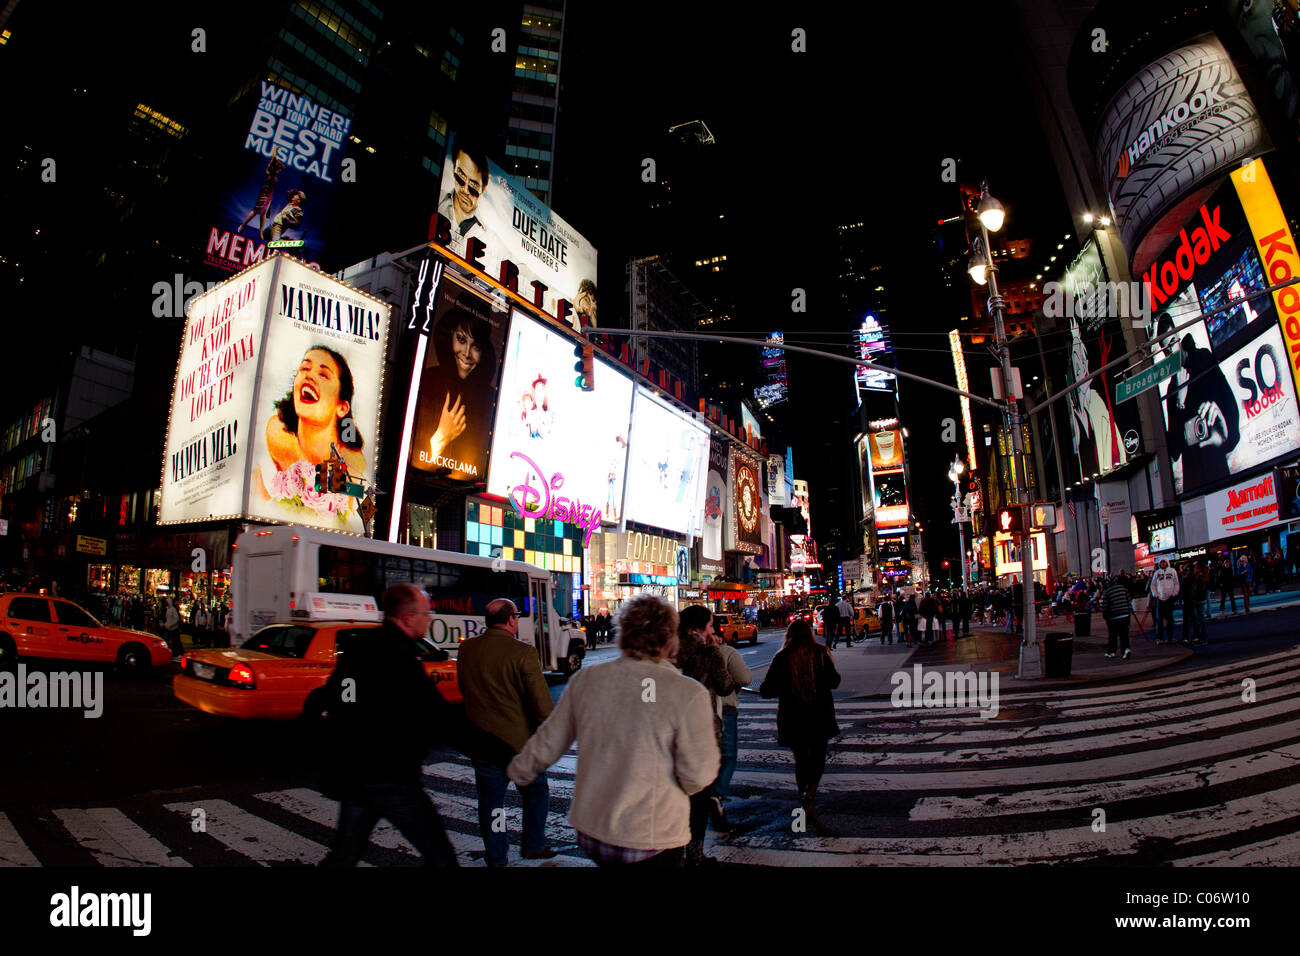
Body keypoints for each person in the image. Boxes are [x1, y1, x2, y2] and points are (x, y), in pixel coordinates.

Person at [507, 595, 718, 867]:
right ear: (670, 639)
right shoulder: (688, 694)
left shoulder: (588, 679)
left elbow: (549, 740)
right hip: (652, 835)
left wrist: (519, 769)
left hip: (595, 831)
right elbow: (697, 775)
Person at [315, 583, 458, 867]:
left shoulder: (360, 649)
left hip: (359, 775)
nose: (429, 619)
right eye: (426, 614)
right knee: (441, 857)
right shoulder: (402, 658)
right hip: (394, 778)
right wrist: (495, 750)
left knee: (344, 855)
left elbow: (338, 700)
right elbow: (438, 716)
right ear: (407, 618)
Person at [456, 598, 557, 867]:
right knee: (536, 794)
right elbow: (541, 705)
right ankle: (534, 844)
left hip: (483, 744)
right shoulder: (523, 653)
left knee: (492, 804)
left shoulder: (467, 650)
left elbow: (465, 691)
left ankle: (497, 856)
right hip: (520, 745)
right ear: (511, 619)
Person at [260, 346, 367, 509]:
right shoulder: (275, 433)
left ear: (342, 407)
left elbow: (357, 513)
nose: (309, 376)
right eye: (304, 368)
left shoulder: (353, 465)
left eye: (324, 375)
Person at [676, 605, 739, 865]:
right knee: (698, 795)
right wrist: (716, 651)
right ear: (699, 629)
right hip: (701, 731)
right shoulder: (708, 653)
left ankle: (671, 850)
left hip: (670, 731)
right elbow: (725, 687)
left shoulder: (669, 651)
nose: (714, 630)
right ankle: (694, 853)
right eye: (711, 625)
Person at [411, 293, 499, 478]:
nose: (467, 353)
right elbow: (415, 464)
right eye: (461, 339)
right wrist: (441, 436)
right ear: (449, 335)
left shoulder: (491, 399)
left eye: (476, 347)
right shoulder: (426, 380)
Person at [759, 619, 841, 817]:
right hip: (819, 715)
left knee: (801, 759)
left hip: (793, 717)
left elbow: (767, 689)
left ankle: (804, 793)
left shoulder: (782, 657)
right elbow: (834, 681)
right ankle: (811, 790)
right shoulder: (821, 653)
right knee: (818, 755)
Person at [712, 614, 752, 833]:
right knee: (728, 757)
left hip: (697, 713)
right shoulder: (726, 653)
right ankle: (717, 795)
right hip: (725, 710)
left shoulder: (688, 654)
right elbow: (746, 679)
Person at [437, 140, 493, 255]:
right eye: (460, 178)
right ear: (454, 169)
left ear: (483, 189)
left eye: (473, 187)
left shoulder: (490, 238)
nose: (465, 190)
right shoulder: (437, 198)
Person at [239, 147, 286, 237]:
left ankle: (260, 231)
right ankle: (243, 225)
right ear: (276, 168)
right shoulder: (270, 172)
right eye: (279, 169)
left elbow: (273, 160)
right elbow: (273, 159)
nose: (280, 171)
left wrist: (275, 151)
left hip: (269, 194)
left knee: (263, 213)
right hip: (265, 193)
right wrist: (275, 150)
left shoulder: (272, 171)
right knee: (256, 210)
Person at [1102, 574, 1133, 660]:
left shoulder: (1107, 592)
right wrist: (1129, 611)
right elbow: (1128, 601)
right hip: (1125, 615)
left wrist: (1105, 615)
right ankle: (1126, 650)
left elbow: (1104, 606)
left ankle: (1112, 652)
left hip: (1114, 616)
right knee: (1124, 635)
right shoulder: (1123, 589)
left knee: (1113, 635)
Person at [1149, 559, 1180, 644]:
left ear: (1167, 563)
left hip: (1169, 598)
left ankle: (1170, 637)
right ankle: (1159, 638)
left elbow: (1176, 583)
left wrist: (1174, 593)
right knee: (1159, 619)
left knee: (1170, 619)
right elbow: (1153, 585)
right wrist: (1156, 594)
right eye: (1161, 562)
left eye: (1164, 562)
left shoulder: (1172, 571)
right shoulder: (1157, 573)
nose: (1162, 564)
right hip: (1160, 599)